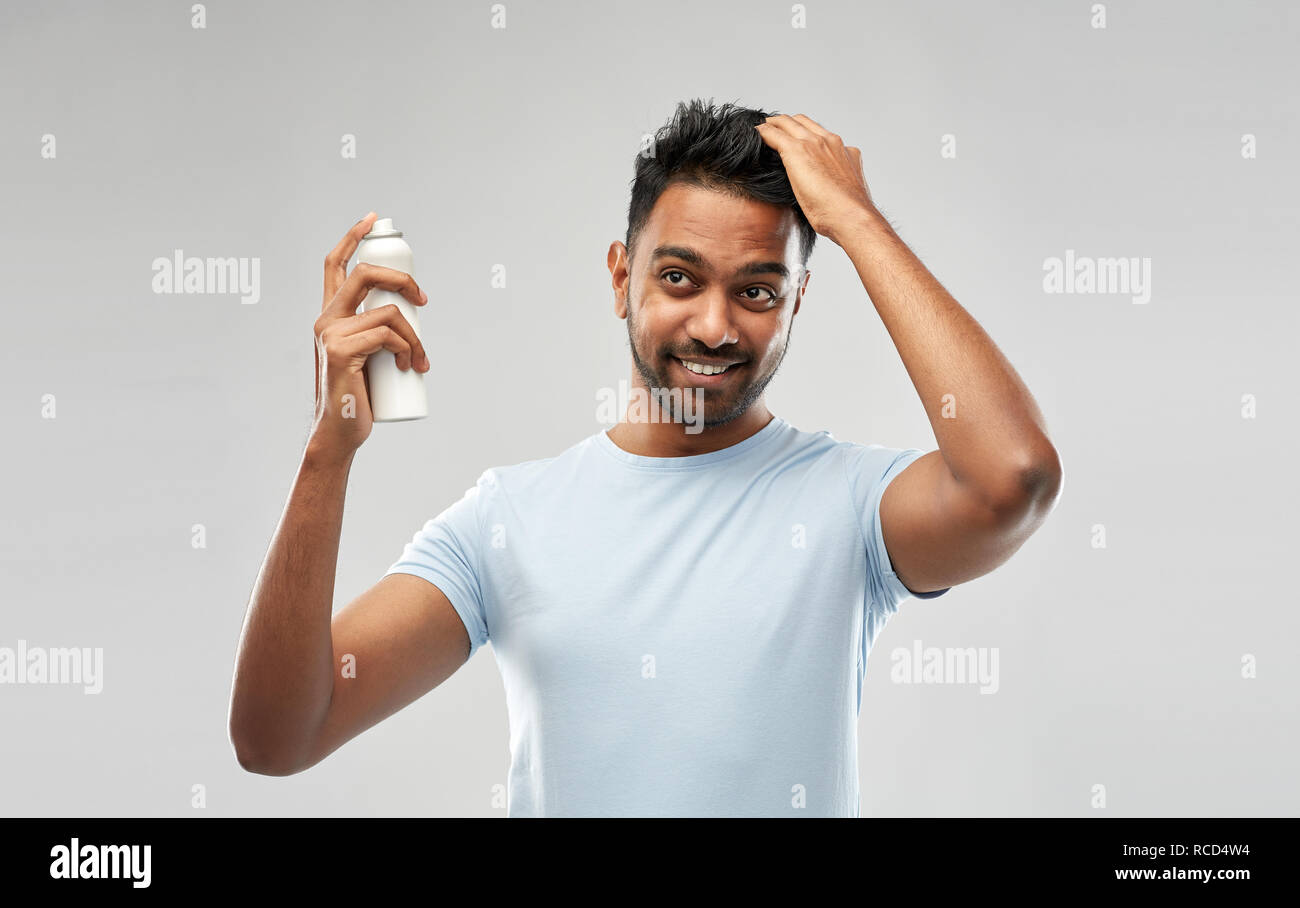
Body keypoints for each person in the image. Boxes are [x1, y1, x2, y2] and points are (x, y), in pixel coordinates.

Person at [228, 99, 1063, 817]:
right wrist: (326, 457)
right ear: (620, 277)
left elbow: (1014, 477)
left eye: (758, 290)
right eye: (678, 278)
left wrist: (855, 219)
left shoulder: (852, 506)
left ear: (799, 299)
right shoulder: (506, 521)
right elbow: (278, 736)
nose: (714, 326)